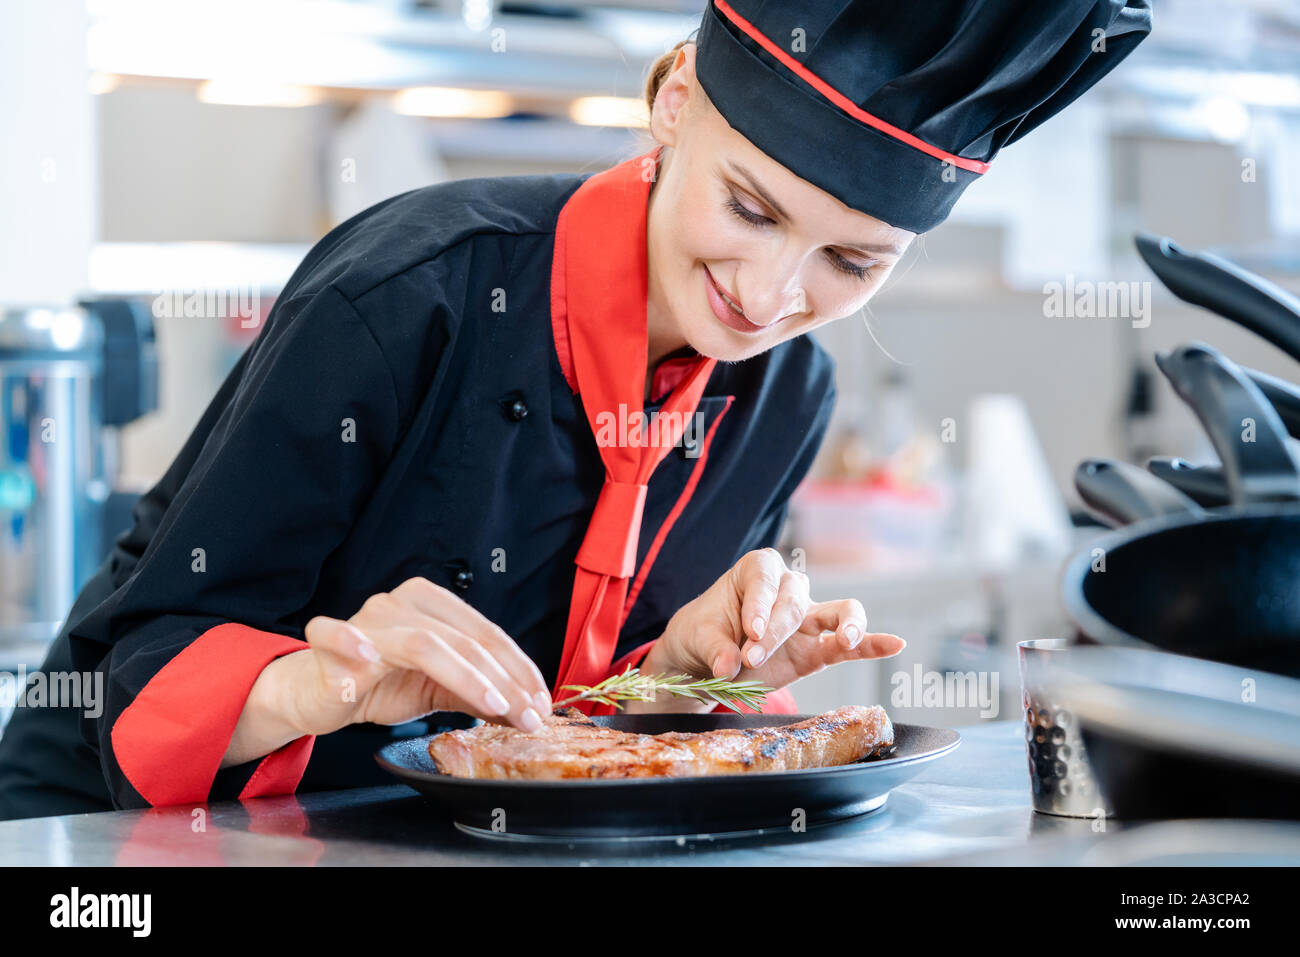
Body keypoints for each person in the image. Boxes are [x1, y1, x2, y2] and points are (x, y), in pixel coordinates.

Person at [0, 0, 1151, 817]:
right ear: (673, 101)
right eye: (750, 209)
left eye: (851, 264)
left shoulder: (788, 390)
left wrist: (699, 671)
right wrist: (317, 682)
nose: (768, 297)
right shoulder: (410, 295)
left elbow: (585, 712)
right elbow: (132, 676)